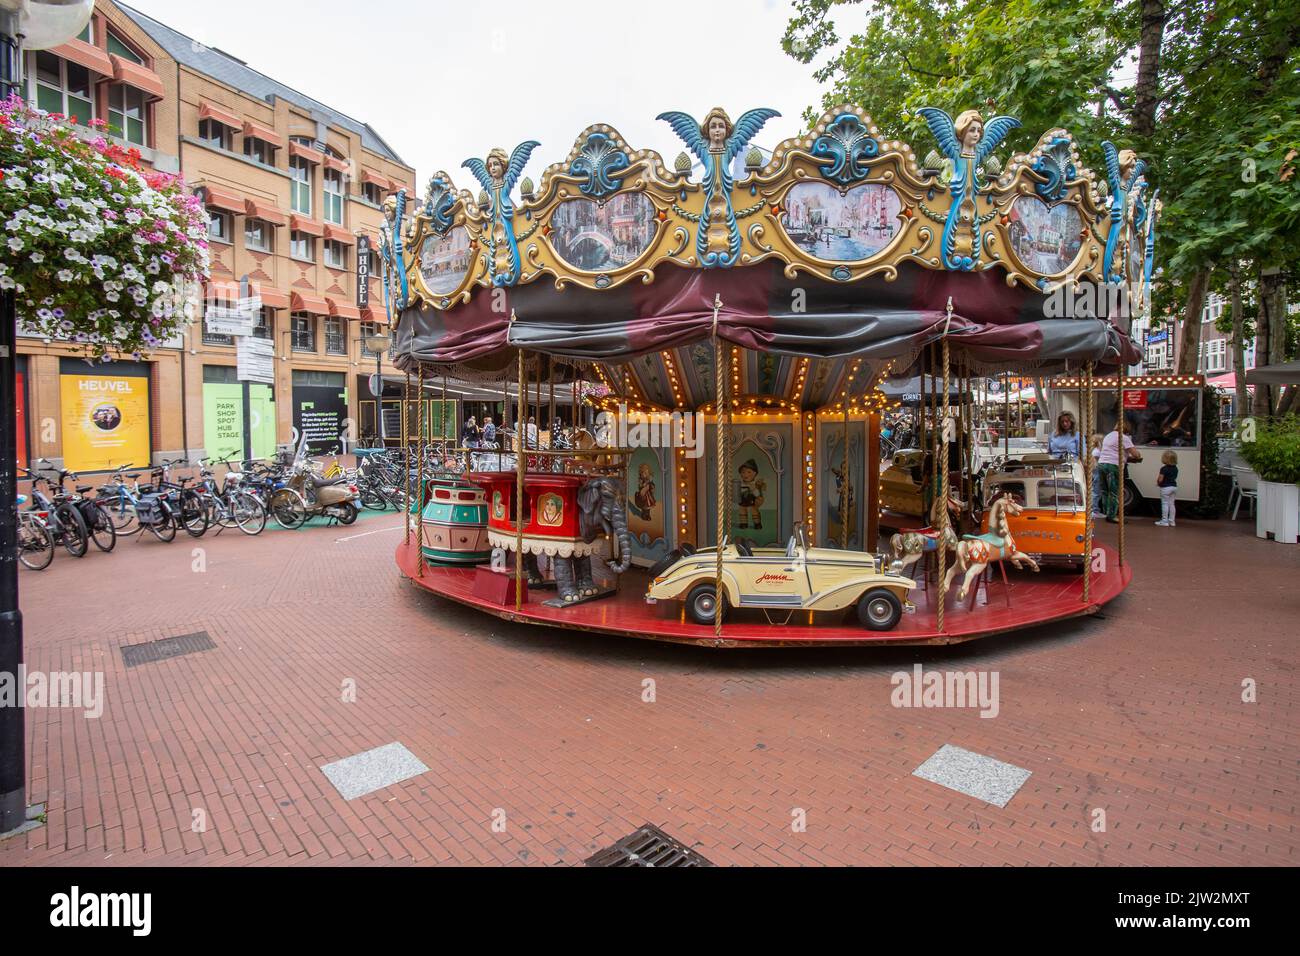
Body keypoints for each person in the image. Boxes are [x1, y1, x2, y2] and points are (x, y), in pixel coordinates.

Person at [1098, 420, 1142, 523]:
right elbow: (1136, 454)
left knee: (1105, 491)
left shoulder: (1108, 436)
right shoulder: (1124, 438)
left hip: (1102, 464)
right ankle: (1112, 515)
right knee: (1114, 492)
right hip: (1113, 465)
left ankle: (1106, 512)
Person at [1155, 450, 1179, 527]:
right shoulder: (1175, 468)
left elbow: (1160, 479)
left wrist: (1158, 483)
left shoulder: (1164, 468)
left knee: (1165, 503)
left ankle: (1164, 521)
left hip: (1165, 487)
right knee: (1172, 504)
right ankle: (1172, 521)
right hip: (1174, 487)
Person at [1088, 434, 1105, 518]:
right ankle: (1094, 510)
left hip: (1095, 470)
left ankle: (1095, 509)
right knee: (1096, 491)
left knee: (1096, 490)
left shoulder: (1094, 450)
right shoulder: (1097, 451)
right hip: (1097, 470)